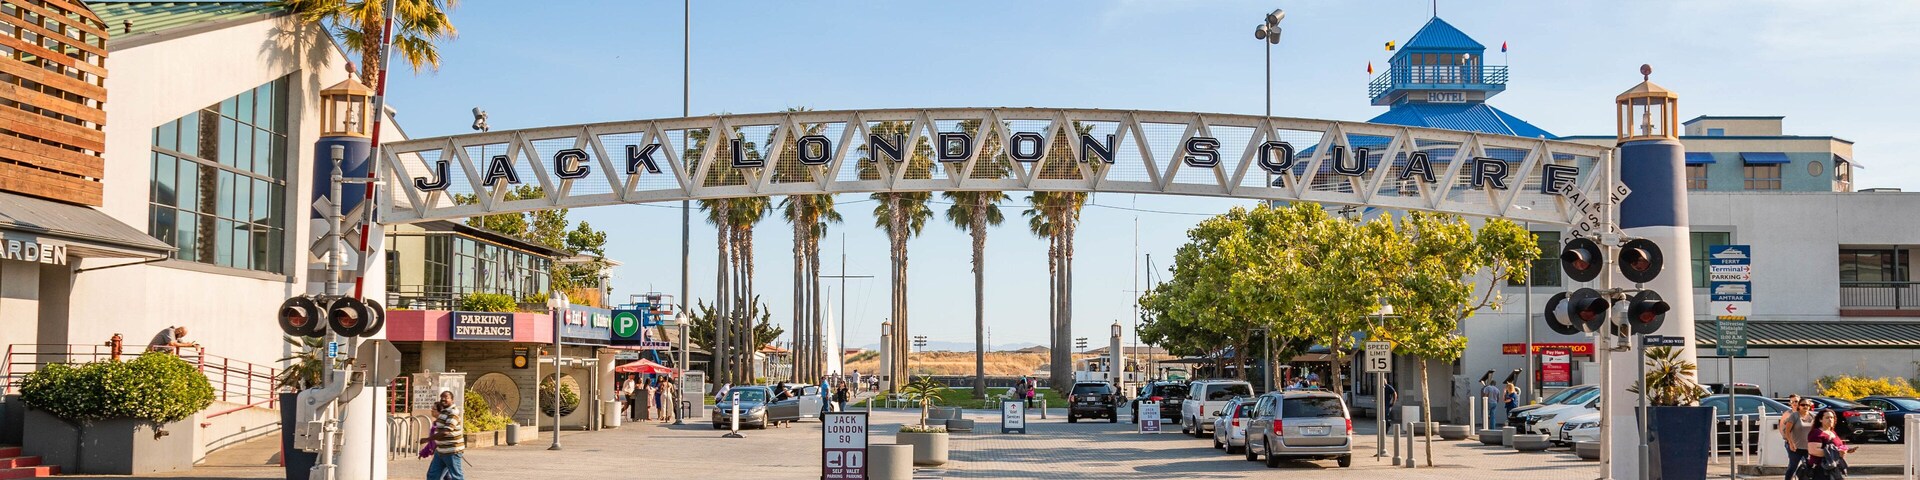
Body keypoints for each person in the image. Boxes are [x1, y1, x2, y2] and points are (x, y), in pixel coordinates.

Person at [423, 390, 465, 480]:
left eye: (446, 398)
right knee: (432, 476)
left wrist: (428, 439)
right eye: (442, 397)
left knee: (456, 476)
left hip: (452, 451)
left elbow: (446, 431)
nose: (443, 399)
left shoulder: (453, 413)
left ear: (452, 400)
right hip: (441, 450)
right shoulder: (444, 412)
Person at [1805, 409, 1856, 480]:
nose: (1830, 420)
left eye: (1832, 417)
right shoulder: (1816, 433)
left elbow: (1837, 447)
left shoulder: (1832, 432)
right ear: (1820, 420)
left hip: (1834, 467)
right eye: (1827, 417)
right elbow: (1813, 451)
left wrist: (1846, 450)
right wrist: (1837, 452)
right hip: (1821, 468)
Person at [1780, 395, 1814, 480]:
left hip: (1808, 447)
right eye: (1803, 405)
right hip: (1795, 447)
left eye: (1807, 405)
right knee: (1793, 466)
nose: (1805, 406)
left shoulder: (1813, 417)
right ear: (1799, 406)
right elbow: (1787, 431)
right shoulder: (1794, 416)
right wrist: (1791, 443)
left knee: (1809, 466)